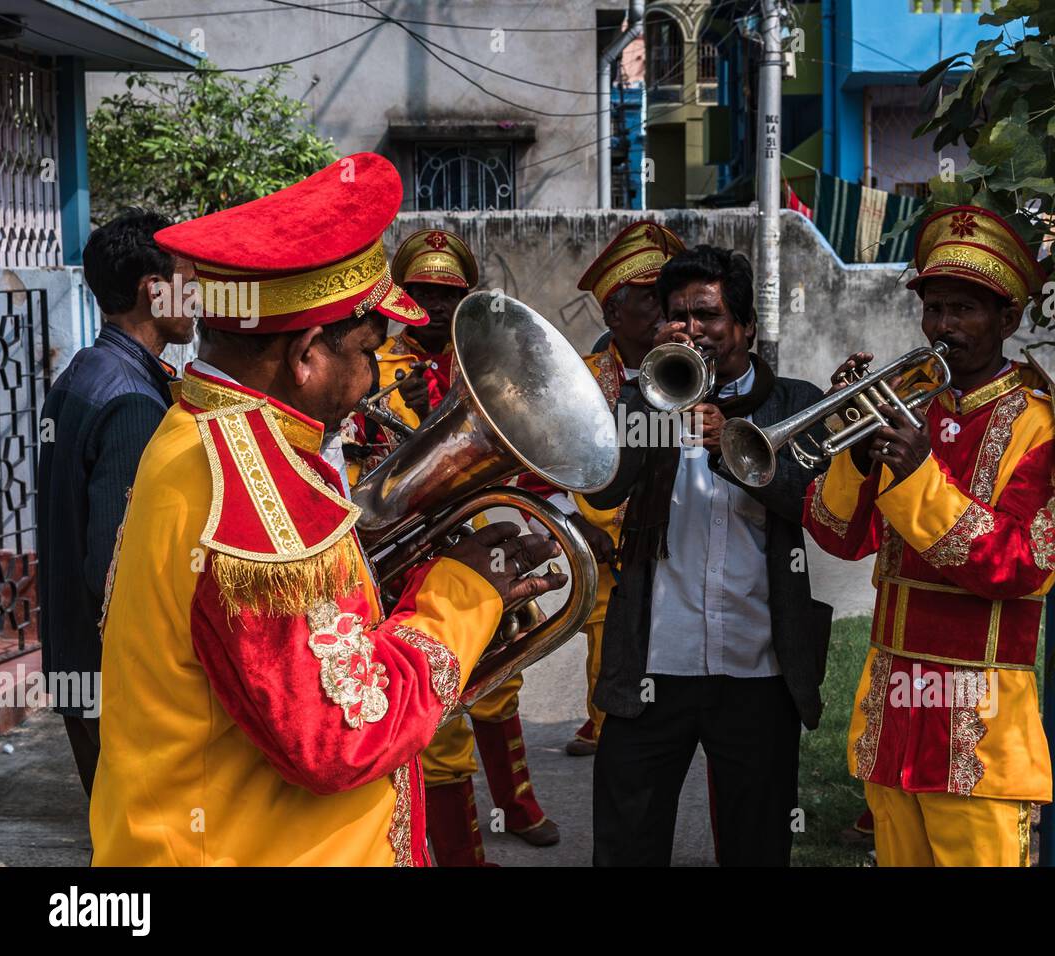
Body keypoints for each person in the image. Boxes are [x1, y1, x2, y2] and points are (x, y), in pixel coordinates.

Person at [88, 154, 566, 866]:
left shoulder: (198, 425)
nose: (373, 376)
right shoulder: (258, 488)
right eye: (369, 350)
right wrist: (464, 595)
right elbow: (342, 734)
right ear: (308, 353)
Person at [803, 204, 1055, 867]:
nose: (943, 325)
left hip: (983, 725)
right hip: (892, 711)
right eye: (934, 307)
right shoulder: (907, 402)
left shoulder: (1041, 423)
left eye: (964, 309)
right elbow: (836, 536)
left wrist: (918, 478)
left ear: (1009, 319)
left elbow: (1023, 567)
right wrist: (851, 453)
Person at [585, 244, 833, 866]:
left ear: (746, 326)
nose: (693, 331)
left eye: (708, 316)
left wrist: (730, 447)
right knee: (627, 844)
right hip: (654, 664)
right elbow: (607, 483)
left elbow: (808, 505)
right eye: (678, 316)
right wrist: (649, 389)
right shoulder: (644, 399)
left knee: (756, 845)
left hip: (757, 666)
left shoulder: (794, 402)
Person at [355, 228, 561, 864]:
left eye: (447, 295)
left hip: (479, 537)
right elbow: (359, 471)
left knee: (499, 684)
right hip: (410, 557)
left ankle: (517, 804)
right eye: (420, 293)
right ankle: (459, 854)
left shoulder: (482, 359)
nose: (434, 307)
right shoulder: (373, 364)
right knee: (439, 712)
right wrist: (398, 413)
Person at [35, 209, 195, 797]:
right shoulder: (131, 401)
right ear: (153, 291)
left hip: (76, 665)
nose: (198, 296)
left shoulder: (86, 370)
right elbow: (118, 572)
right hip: (113, 680)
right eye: (188, 280)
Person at [563, 219, 686, 757]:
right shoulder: (578, 382)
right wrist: (579, 530)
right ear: (613, 314)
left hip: (682, 549)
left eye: (668, 296)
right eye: (650, 298)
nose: (665, 309)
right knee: (610, 674)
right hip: (612, 554)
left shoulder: (697, 367)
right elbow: (546, 473)